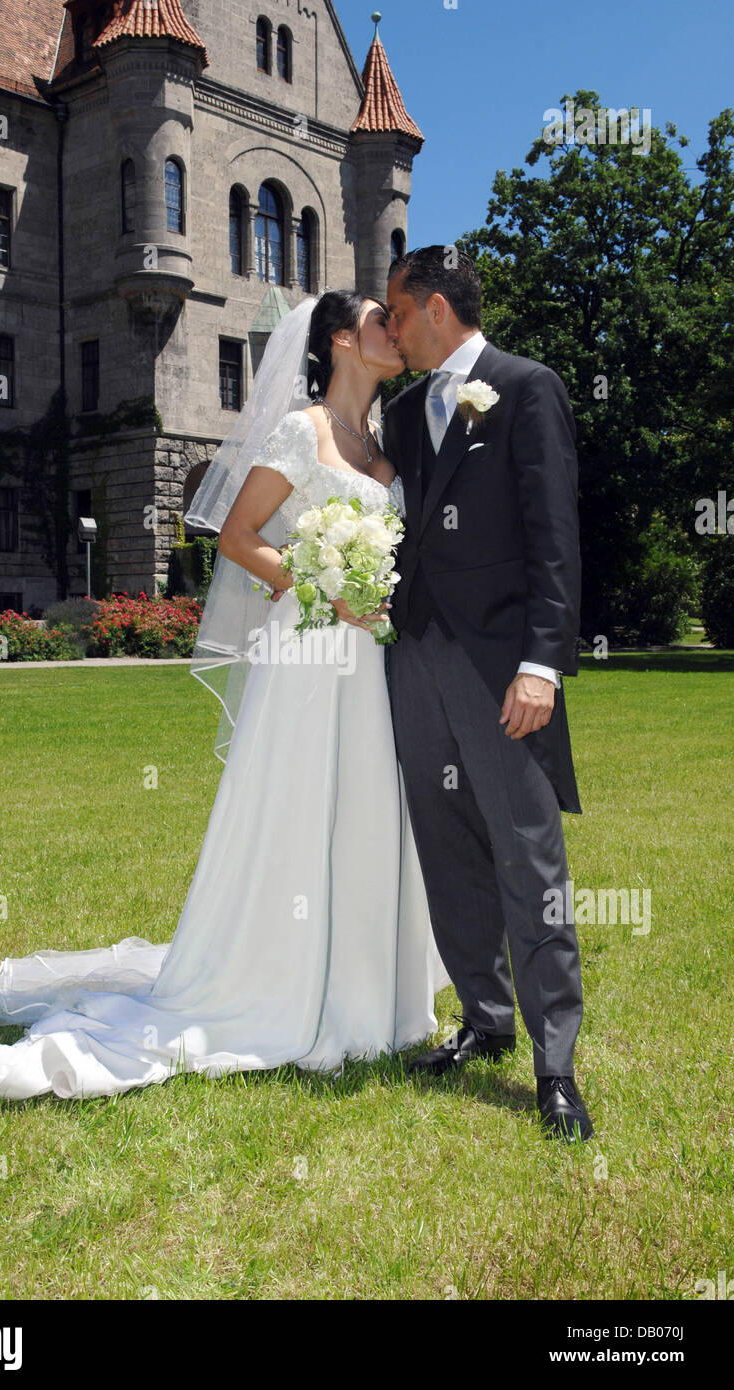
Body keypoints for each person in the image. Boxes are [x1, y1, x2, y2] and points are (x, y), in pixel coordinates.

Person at [0, 290, 449, 1101]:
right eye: (380, 320)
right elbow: (242, 538)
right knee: (300, 812)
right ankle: (273, 980)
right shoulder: (300, 432)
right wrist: (321, 587)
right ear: (343, 343)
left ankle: (368, 994)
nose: (397, 328)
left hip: (371, 668)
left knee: (368, 812)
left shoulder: (384, 451)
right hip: (311, 651)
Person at [383, 246, 594, 1141]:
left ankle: (555, 1065)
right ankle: (483, 1016)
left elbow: (554, 533)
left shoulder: (525, 385)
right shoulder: (399, 413)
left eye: (396, 315)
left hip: (502, 665)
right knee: (447, 842)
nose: (390, 333)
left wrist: (541, 664)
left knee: (526, 852)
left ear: (433, 308)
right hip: (415, 657)